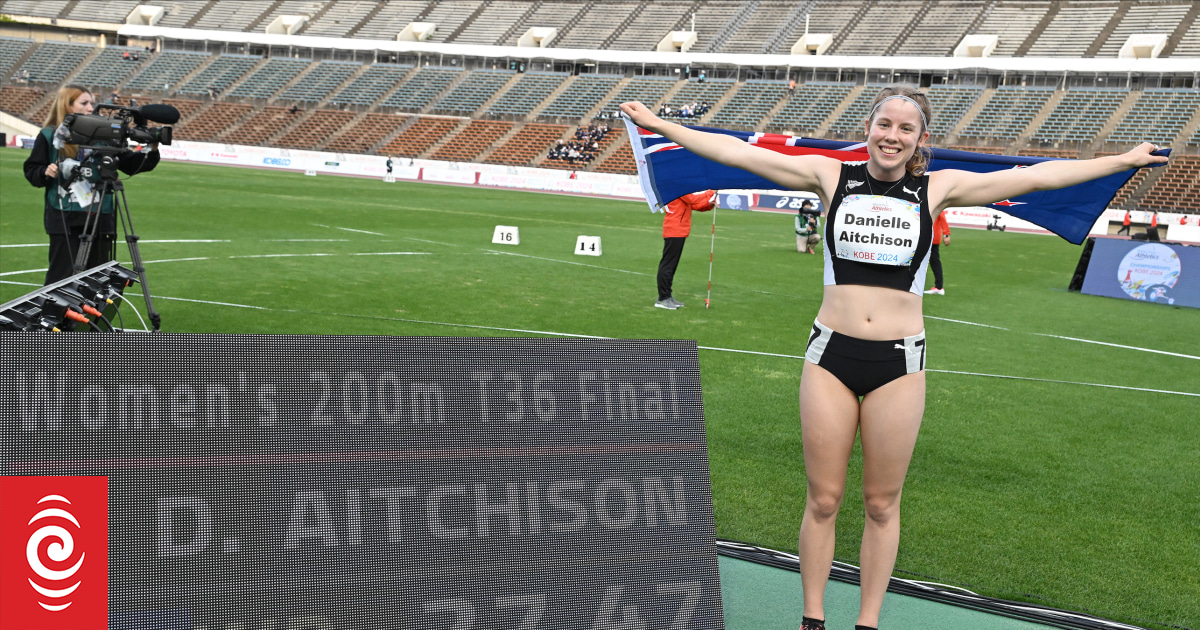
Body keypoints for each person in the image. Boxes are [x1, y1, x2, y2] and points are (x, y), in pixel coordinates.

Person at [620, 86, 1166, 630]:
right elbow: (739, 154)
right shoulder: (830, 177)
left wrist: (1122, 159)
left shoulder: (937, 190)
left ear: (920, 140)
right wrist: (659, 124)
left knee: (882, 504)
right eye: (885, 124)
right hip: (830, 354)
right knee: (824, 500)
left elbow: (1036, 176)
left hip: (900, 363)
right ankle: (812, 619)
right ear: (869, 128)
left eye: (906, 129)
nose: (893, 136)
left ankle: (868, 622)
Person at [23, 84, 160, 287]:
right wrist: (46, 171)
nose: (90, 108)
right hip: (64, 214)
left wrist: (152, 147)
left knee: (98, 277)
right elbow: (32, 171)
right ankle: (59, 319)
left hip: (100, 215)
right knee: (62, 276)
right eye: (84, 103)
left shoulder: (105, 136)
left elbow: (132, 164)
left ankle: (94, 318)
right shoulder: (50, 136)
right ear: (67, 106)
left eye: (91, 103)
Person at [655, 190, 715, 310]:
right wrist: (711, 192)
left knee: (671, 266)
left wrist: (709, 205)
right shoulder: (677, 188)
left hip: (678, 231)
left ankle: (667, 296)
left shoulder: (679, 189)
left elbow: (693, 205)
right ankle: (663, 298)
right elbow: (692, 199)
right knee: (668, 265)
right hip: (674, 230)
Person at [924, 210, 950, 295]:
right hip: (929, 238)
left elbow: (943, 219)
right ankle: (938, 286)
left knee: (934, 262)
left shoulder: (935, 203)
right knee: (933, 262)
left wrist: (946, 234)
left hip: (932, 239)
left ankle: (939, 287)